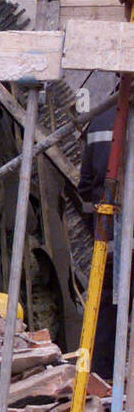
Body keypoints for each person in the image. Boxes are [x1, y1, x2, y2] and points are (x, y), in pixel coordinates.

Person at [79, 102, 121, 380]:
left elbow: (84, 187)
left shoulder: (99, 120)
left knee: (105, 314)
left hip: (109, 236)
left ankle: (101, 382)